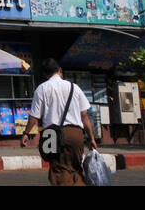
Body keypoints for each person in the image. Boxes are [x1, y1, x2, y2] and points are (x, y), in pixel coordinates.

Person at [20, 58, 97, 186]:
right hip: (76, 134)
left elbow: (34, 116)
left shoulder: (42, 89)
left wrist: (26, 133)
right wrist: (92, 138)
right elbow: (84, 115)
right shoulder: (74, 87)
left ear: (45, 74)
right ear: (60, 70)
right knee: (75, 168)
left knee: (58, 169)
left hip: (52, 134)